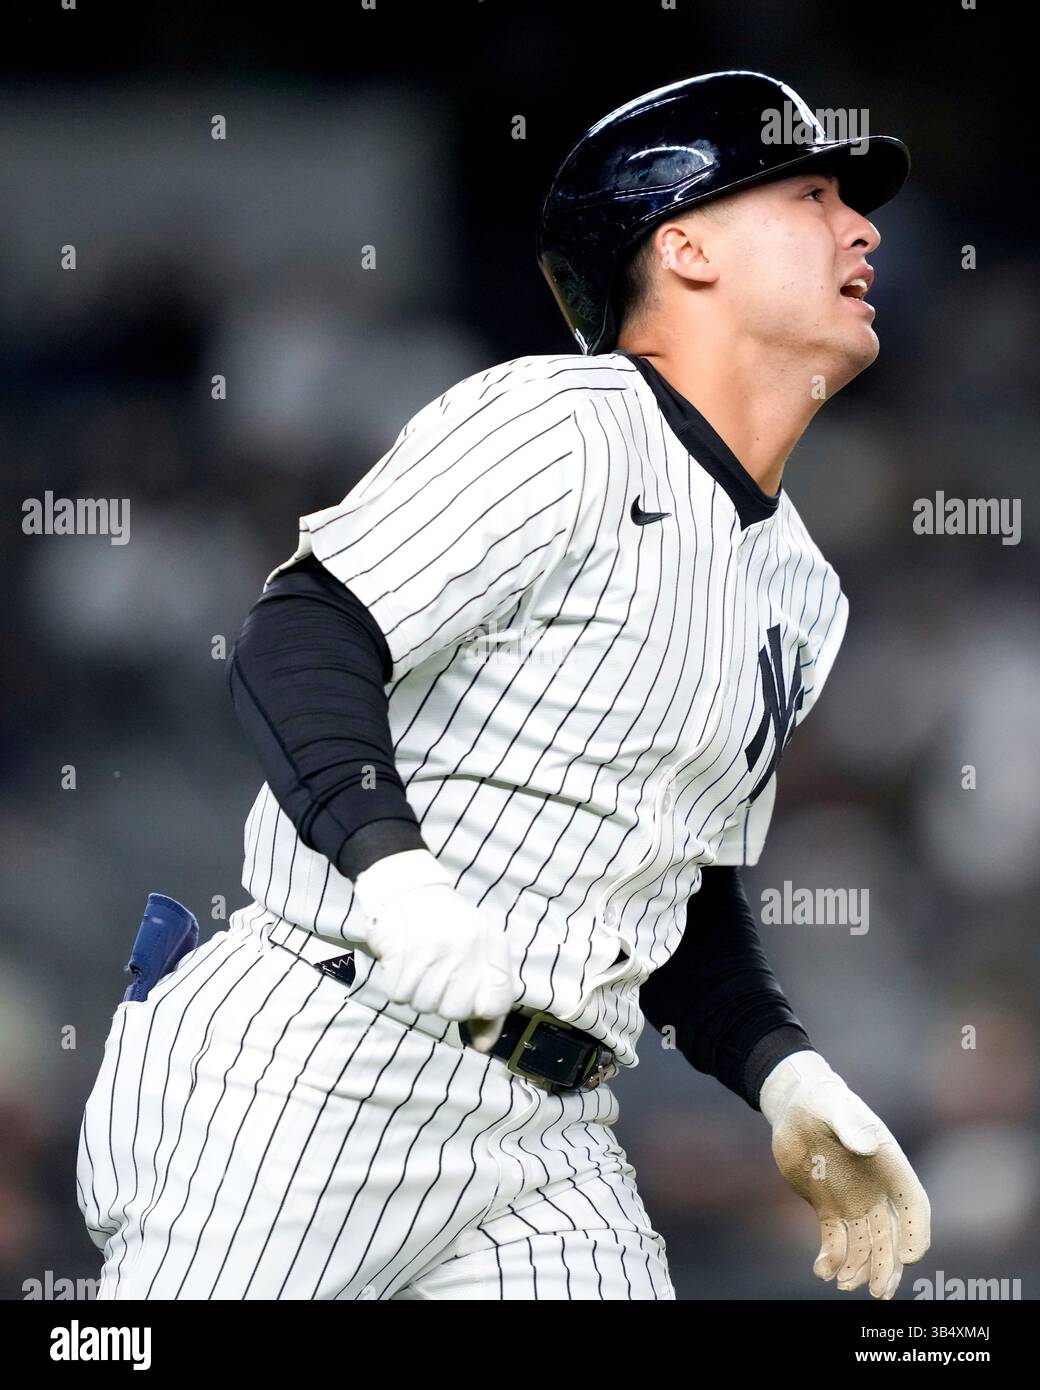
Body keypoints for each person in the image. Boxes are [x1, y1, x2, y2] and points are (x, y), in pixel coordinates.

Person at [77, 69, 930, 1301]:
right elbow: (303, 633)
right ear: (682, 247)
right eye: (809, 195)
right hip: (320, 1062)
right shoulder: (560, 423)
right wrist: (396, 875)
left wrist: (783, 1067)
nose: (862, 229)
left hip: (551, 1134)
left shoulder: (801, 586)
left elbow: (677, 891)